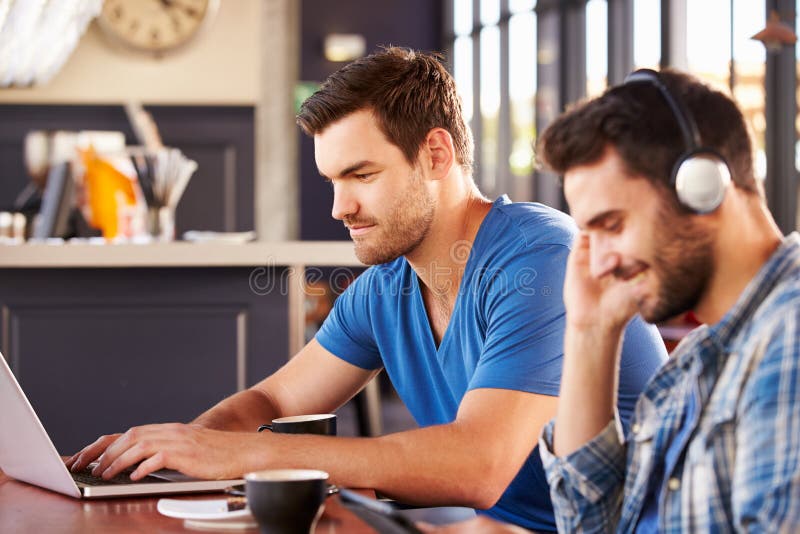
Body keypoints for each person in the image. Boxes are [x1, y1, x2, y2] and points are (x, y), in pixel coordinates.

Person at [65, 48, 666, 532]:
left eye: (361, 175)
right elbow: (271, 404)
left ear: (436, 154)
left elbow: (478, 464)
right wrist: (176, 455)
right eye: (332, 179)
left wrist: (250, 456)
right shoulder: (385, 289)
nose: (339, 207)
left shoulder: (539, 259)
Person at [531, 68, 799, 531]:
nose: (599, 265)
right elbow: (590, 525)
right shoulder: (692, 365)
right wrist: (589, 330)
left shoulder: (788, 339)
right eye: (589, 236)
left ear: (702, 188)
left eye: (612, 225)